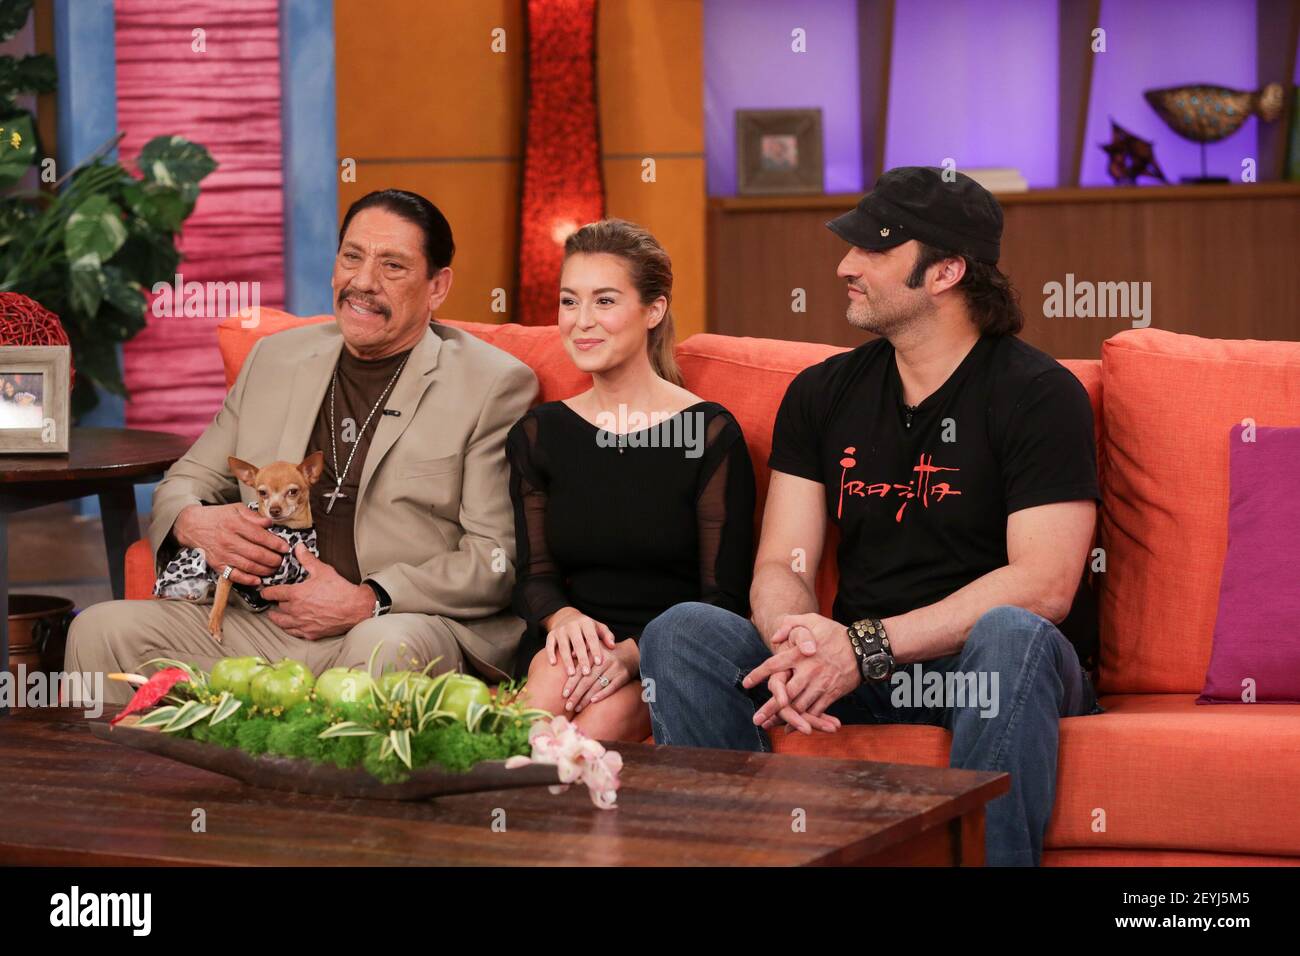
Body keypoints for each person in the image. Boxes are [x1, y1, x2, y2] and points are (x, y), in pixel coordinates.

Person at [639, 167, 1104, 866]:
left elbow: (1045, 584)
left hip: (986, 671)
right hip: (859, 669)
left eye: (872, 250)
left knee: (1012, 633)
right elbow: (781, 563)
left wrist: (864, 646)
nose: (844, 265)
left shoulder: (1037, 395)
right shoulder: (823, 393)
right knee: (683, 633)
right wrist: (796, 642)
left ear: (945, 270)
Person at [67, 189, 538, 704]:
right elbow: (187, 480)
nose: (363, 282)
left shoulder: (490, 384)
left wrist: (369, 599)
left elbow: (494, 558)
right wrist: (194, 522)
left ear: (436, 286)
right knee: (100, 631)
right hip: (261, 621)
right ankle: (136, 788)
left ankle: (320, 787)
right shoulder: (274, 358)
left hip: (395, 623)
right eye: (352, 257)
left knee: (384, 650)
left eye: (393, 266)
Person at [507, 219, 756, 741]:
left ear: (654, 310)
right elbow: (534, 576)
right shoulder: (540, 433)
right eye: (569, 301)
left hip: (667, 653)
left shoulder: (709, 434)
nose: (580, 322)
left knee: (589, 734)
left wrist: (631, 655)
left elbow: (724, 598)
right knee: (538, 710)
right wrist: (564, 619)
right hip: (575, 644)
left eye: (604, 301)